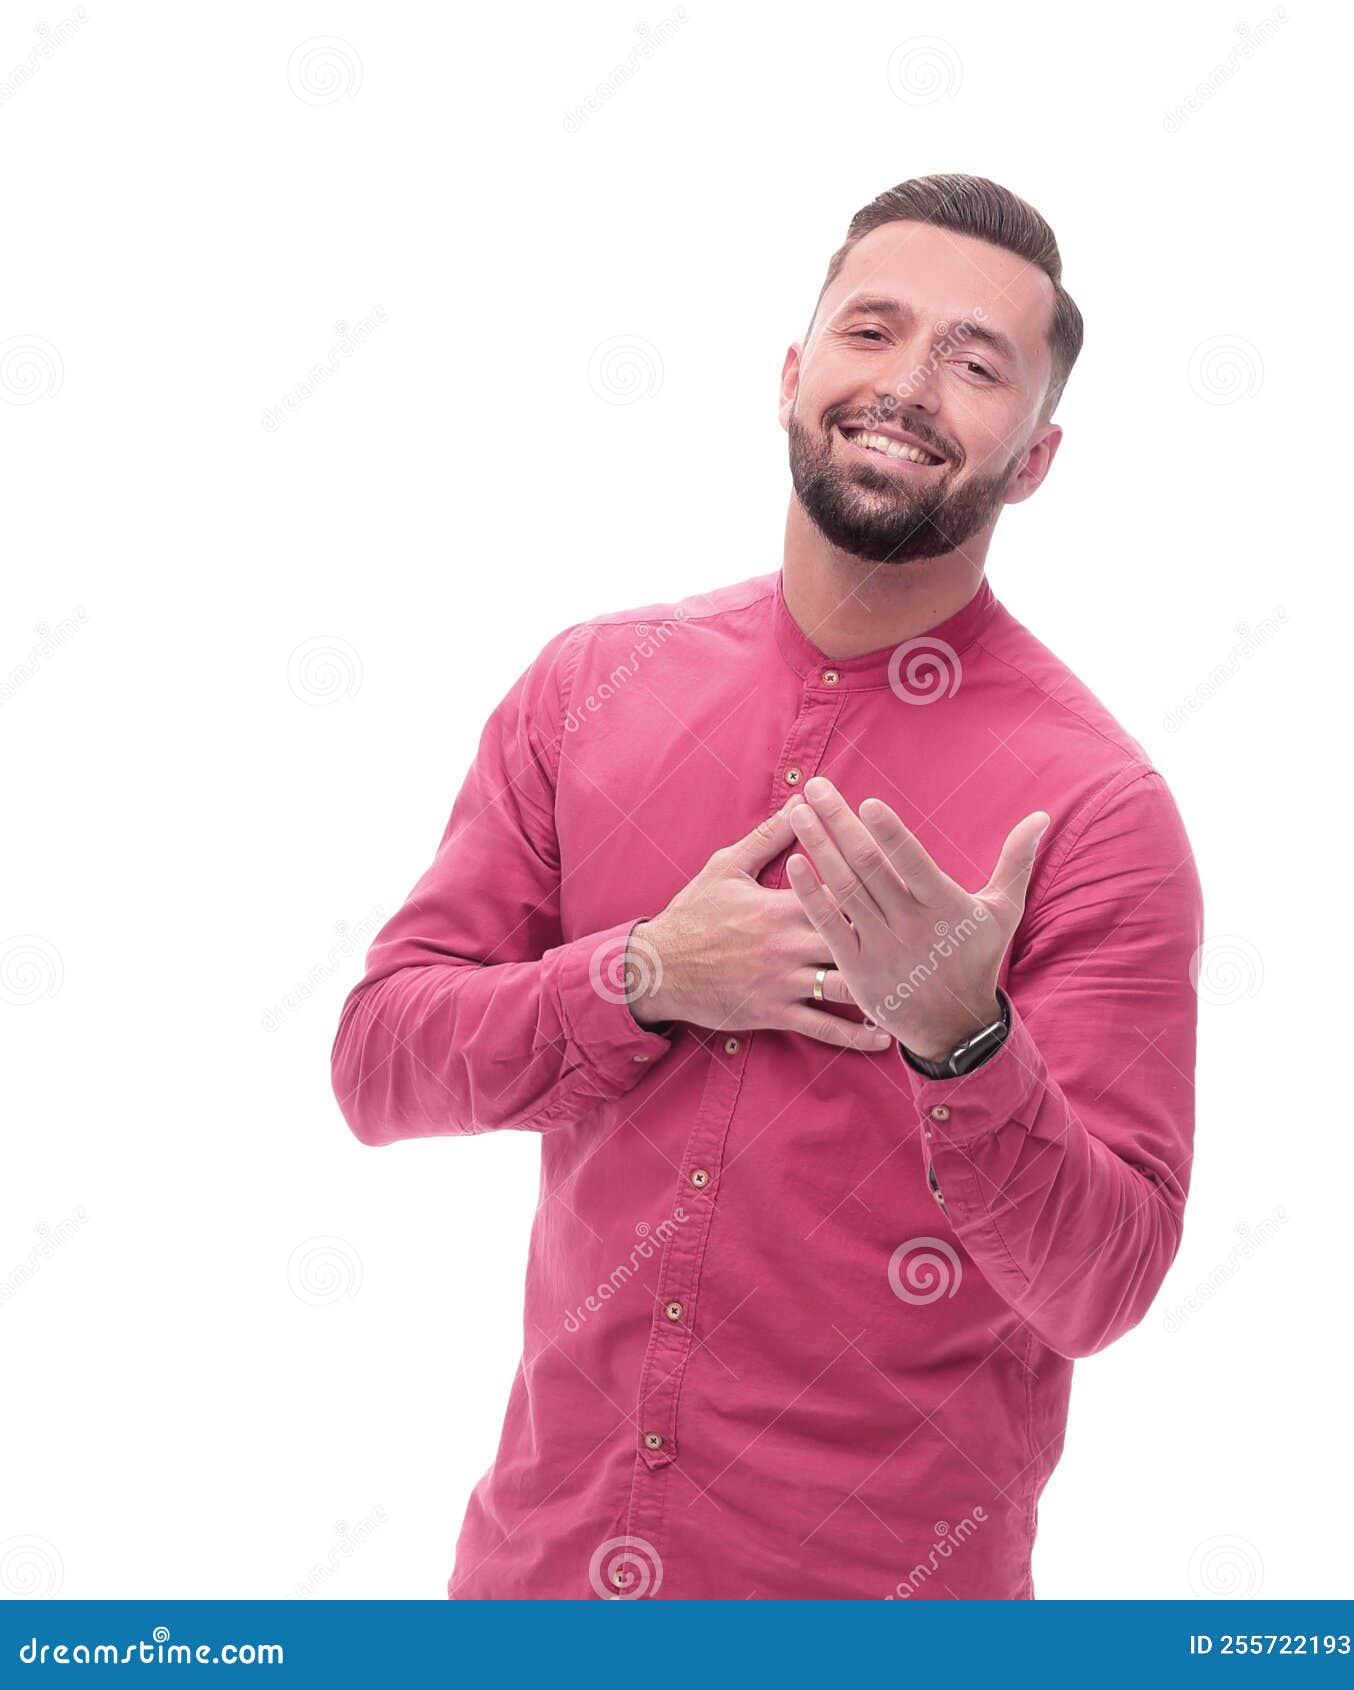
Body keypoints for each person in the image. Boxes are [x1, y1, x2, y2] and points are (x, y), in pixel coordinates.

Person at [330, 173, 1204, 1601]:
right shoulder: (586, 688)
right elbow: (380, 1064)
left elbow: (1100, 1287)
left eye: (976, 364)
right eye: (874, 330)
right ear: (794, 374)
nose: (909, 386)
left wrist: (964, 1044)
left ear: (1036, 457)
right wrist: (645, 977)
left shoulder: (1099, 811)